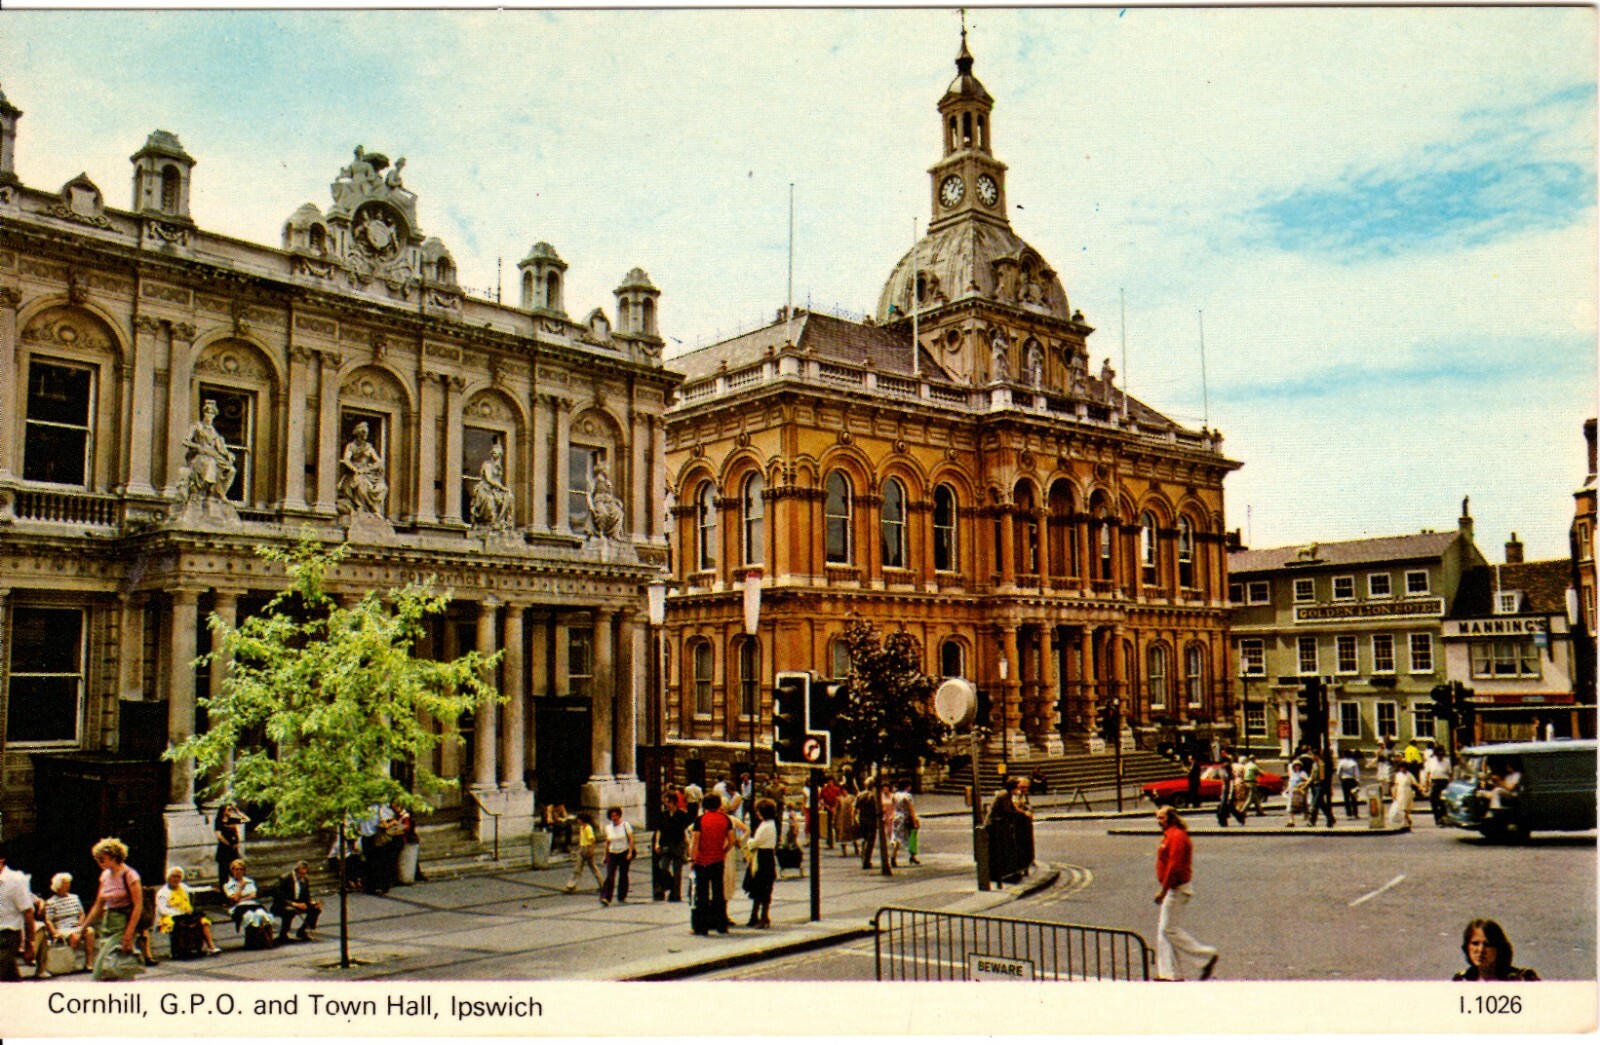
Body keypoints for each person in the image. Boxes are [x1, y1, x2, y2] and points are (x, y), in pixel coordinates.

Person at [1153, 806, 1218, 982]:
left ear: (1171, 818)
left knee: (1168, 929)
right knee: (1164, 932)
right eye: (1157, 818)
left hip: (1177, 889)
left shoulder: (1177, 837)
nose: (1158, 822)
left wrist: (1163, 890)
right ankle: (1168, 973)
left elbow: (1174, 866)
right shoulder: (1171, 835)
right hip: (1174, 888)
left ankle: (1205, 956)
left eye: (1161, 818)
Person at [81, 838, 144, 981]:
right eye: (97, 858)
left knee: (101, 969)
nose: (99, 861)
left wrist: (128, 934)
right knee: (116, 967)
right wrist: (82, 928)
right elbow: (98, 904)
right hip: (108, 922)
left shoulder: (130, 875)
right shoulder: (104, 876)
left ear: (114, 857)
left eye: (102, 858)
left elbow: (138, 905)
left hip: (123, 923)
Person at [687, 793, 734, 935]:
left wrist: (692, 858)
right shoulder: (726, 819)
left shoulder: (700, 820)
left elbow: (695, 841)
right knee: (718, 893)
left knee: (702, 894)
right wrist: (724, 850)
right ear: (719, 804)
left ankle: (702, 927)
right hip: (718, 860)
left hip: (702, 860)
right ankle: (721, 925)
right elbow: (732, 839)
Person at [33, 872, 96, 976]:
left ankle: (89, 963)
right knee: (74, 936)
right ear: (57, 885)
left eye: (68, 883)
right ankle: (70, 963)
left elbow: (81, 913)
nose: (67, 886)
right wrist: (54, 933)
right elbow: (48, 920)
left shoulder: (74, 898)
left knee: (90, 931)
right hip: (62, 928)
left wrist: (81, 922)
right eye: (64, 884)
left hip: (76, 925)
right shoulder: (51, 902)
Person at [181, 399, 237, 504]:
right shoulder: (197, 426)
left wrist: (228, 454)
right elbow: (185, 441)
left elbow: (221, 448)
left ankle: (220, 493)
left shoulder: (213, 431)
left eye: (212, 412)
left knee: (231, 470)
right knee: (210, 464)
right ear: (204, 413)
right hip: (201, 455)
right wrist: (198, 447)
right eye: (207, 412)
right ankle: (203, 493)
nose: (209, 414)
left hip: (213, 455)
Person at [155, 867, 220, 957]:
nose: (176, 879)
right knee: (178, 923)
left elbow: (193, 890)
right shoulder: (163, 892)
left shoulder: (182, 887)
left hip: (186, 914)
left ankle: (211, 946)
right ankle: (180, 949)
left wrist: (209, 888)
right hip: (169, 916)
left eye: (178, 877)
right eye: (174, 876)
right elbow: (163, 910)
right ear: (168, 878)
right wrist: (178, 913)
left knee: (203, 921)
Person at [1453, 918, 1540, 981]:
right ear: (1467, 947)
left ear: (1499, 948)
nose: (1481, 950)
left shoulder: (1522, 979)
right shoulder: (1461, 981)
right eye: (1475, 943)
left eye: (1488, 945)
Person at [0, 843, 37, 981]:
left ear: (1, 860)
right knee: (10, 978)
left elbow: (28, 912)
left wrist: (30, 943)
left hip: (8, 936)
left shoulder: (15, 880)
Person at [336, 421, 389, 516]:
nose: (365, 435)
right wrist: (355, 469)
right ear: (359, 433)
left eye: (366, 433)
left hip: (367, 473)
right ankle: (364, 508)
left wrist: (371, 468)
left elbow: (378, 461)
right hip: (355, 473)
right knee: (362, 484)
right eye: (364, 433)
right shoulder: (351, 446)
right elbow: (346, 459)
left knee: (382, 487)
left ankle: (374, 510)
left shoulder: (368, 447)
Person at [743, 798, 778, 928]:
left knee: (761, 888)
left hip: (763, 857)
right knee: (762, 888)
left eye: (758, 810)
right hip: (766, 856)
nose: (756, 813)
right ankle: (757, 916)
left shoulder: (765, 826)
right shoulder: (770, 824)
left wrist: (749, 842)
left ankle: (762, 917)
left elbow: (755, 842)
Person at [653, 794, 694, 902]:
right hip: (666, 844)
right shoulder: (663, 815)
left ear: (674, 802)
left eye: (669, 802)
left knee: (677, 871)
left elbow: (685, 830)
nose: (667, 804)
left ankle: (676, 894)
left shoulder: (682, 814)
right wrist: (657, 843)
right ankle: (668, 886)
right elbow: (659, 830)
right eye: (666, 802)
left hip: (678, 844)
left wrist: (689, 845)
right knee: (663, 868)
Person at [468, 441, 514, 531]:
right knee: (489, 499)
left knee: (510, 497)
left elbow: (497, 481)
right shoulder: (487, 464)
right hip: (484, 488)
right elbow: (489, 479)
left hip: (495, 489)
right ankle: (490, 522)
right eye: (493, 452)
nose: (494, 454)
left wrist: (503, 489)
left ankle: (503, 522)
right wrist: (502, 487)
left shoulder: (499, 467)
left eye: (496, 452)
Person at [271, 861, 322, 942]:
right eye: (301, 873)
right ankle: (283, 935)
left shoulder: (305, 880)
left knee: (315, 910)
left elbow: (306, 896)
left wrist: (312, 903)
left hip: (298, 904)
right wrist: (294, 904)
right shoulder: (285, 878)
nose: (302, 876)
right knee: (289, 911)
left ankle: (302, 931)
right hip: (283, 904)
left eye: (304, 873)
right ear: (295, 871)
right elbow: (279, 896)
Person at [599, 807, 635, 906]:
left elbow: (631, 839)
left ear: (619, 815)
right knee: (610, 876)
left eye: (616, 815)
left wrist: (630, 852)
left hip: (624, 852)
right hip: (612, 853)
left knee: (623, 874)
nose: (614, 817)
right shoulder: (608, 828)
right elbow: (607, 842)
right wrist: (605, 855)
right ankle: (606, 897)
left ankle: (622, 895)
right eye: (612, 816)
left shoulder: (625, 825)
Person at [562, 813, 603, 894]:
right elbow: (582, 839)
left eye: (579, 819)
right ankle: (571, 886)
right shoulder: (582, 828)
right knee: (577, 868)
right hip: (582, 848)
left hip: (587, 848)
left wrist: (591, 850)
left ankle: (602, 885)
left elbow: (592, 840)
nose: (577, 820)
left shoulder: (588, 828)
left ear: (582, 820)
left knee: (593, 868)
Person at [222, 859, 267, 931]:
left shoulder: (249, 881)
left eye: (241, 869)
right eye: (236, 869)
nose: (239, 871)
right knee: (250, 917)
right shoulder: (228, 885)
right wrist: (240, 888)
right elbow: (234, 899)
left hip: (254, 904)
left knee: (262, 915)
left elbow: (254, 895)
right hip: (240, 907)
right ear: (232, 870)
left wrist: (241, 898)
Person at [214, 802, 248, 890]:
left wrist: (237, 811)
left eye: (231, 810)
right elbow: (219, 835)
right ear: (223, 811)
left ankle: (234, 893)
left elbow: (246, 819)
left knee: (235, 872)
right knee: (224, 874)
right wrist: (229, 844)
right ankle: (224, 897)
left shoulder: (232, 819)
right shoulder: (219, 821)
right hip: (224, 850)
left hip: (233, 851)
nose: (230, 811)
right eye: (228, 809)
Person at [1422, 744, 1453, 827]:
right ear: (1436, 754)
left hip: (1444, 782)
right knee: (1433, 801)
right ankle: (1437, 818)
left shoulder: (1447, 761)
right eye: (1438, 755)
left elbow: (1450, 774)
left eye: (1441, 755)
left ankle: (1444, 818)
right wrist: (1426, 786)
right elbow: (1428, 774)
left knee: (1443, 801)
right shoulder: (1431, 761)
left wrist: (1450, 785)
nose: (1440, 757)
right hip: (1435, 782)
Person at [853, 782, 881, 870]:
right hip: (871, 820)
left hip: (862, 819)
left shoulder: (860, 795)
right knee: (870, 841)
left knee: (865, 839)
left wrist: (854, 818)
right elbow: (876, 810)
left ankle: (863, 857)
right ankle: (867, 860)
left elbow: (855, 808)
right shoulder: (873, 796)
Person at [1387, 760, 1417, 829]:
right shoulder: (1398, 775)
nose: (1403, 769)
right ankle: (1406, 820)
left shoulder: (1409, 775)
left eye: (1404, 767)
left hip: (1407, 791)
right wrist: (1394, 794)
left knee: (1406, 807)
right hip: (1400, 792)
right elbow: (1396, 785)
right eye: (1401, 767)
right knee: (1401, 807)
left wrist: (1421, 788)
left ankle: (1406, 819)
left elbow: (1415, 783)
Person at [1337, 751, 1362, 820]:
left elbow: (1338, 772)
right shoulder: (1353, 762)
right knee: (1354, 797)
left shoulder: (1341, 762)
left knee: (1346, 797)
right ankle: (1355, 813)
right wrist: (1358, 782)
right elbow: (1356, 773)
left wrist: (1341, 779)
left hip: (1344, 780)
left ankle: (1348, 814)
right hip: (1352, 780)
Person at [1285, 759, 1308, 827]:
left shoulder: (1302, 773)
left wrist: (1301, 785)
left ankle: (1310, 819)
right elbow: (1290, 782)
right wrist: (1288, 789)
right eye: (1295, 765)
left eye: (1298, 765)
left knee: (1302, 807)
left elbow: (1307, 780)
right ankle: (1291, 821)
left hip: (1298, 793)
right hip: (1292, 792)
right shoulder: (1293, 774)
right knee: (1290, 807)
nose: (1297, 767)